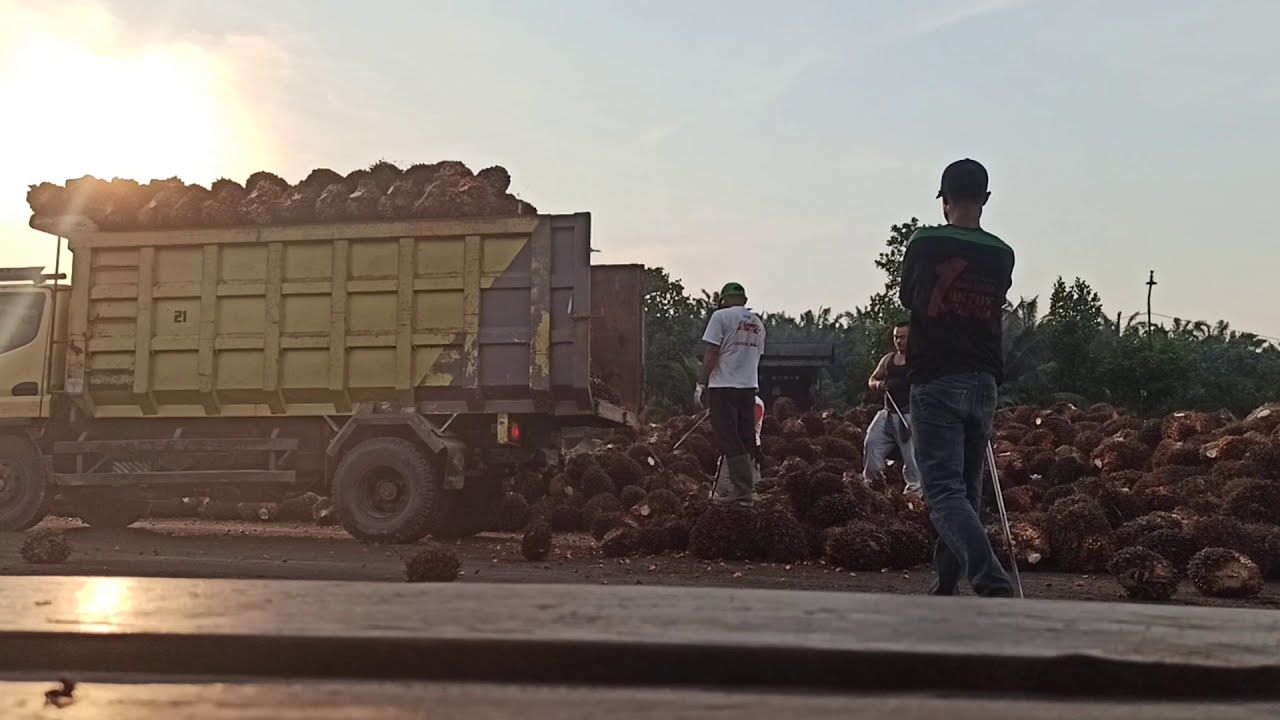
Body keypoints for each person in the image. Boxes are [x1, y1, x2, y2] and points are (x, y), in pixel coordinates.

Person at [899, 158, 1016, 598]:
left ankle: (991, 581)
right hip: (983, 381)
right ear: (985, 199)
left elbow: (909, 295)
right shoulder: (1002, 253)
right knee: (966, 492)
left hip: (937, 378)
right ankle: (945, 586)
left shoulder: (924, 241)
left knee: (943, 492)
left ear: (945, 201)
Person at [695, 282, 766, 505]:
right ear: (744, 300)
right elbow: (756, 355)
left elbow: (712, 351)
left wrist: (701, 382)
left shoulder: (721, 317)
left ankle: (742, 490)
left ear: (724, 300)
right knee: (746, 435)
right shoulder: (758, 323)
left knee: (727, 435)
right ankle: (749, 487)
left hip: (724, 386)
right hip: (748, 387)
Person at [863, 321, 921, 495]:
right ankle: (872, 487)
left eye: (903, 337)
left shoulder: (919, 361)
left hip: (909, 416)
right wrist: (877, 385)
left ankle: (914, 496)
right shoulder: (888, 360)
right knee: (871, 443)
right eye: (896, 337)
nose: (899, 341)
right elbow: (872, 379)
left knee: (912, 459)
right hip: (887, 413)